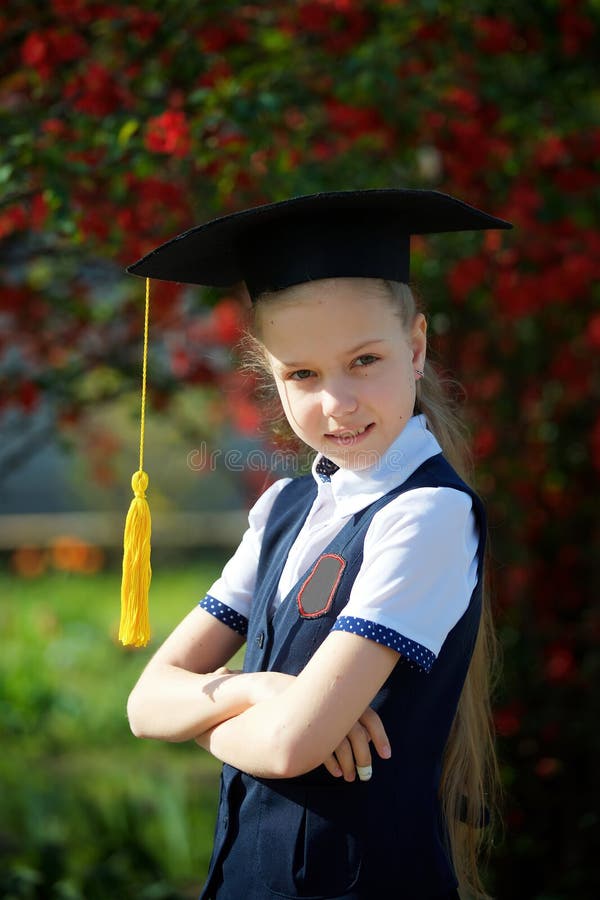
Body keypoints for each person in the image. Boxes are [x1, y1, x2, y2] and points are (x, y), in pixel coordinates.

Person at [125, 190, 512, 900]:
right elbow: (145, 704)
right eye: (302, 374)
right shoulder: (283, 509)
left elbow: (287, 746)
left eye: (364, 359)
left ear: (417, 347)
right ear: (271, 378)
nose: (337, 402)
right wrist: (262, 689)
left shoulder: (426, 516)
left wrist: (208, 718)